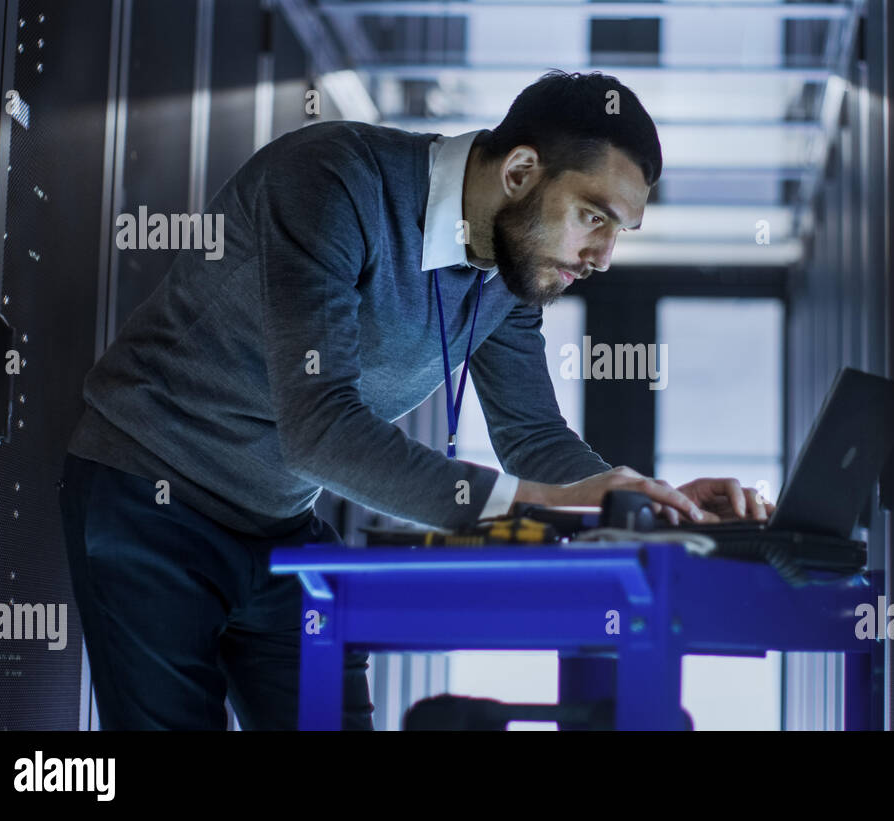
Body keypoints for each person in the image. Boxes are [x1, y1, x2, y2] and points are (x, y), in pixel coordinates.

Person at [58, 70, 773, 730]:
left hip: (277, 525)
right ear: (521, 171)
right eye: (593, 215)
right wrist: (528, 502)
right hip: (148, 498)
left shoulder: (510, 273)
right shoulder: (330, 180)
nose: (604, 255)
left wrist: (648, 505)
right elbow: (323, 431)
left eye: (620, 229)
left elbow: (534, 437)